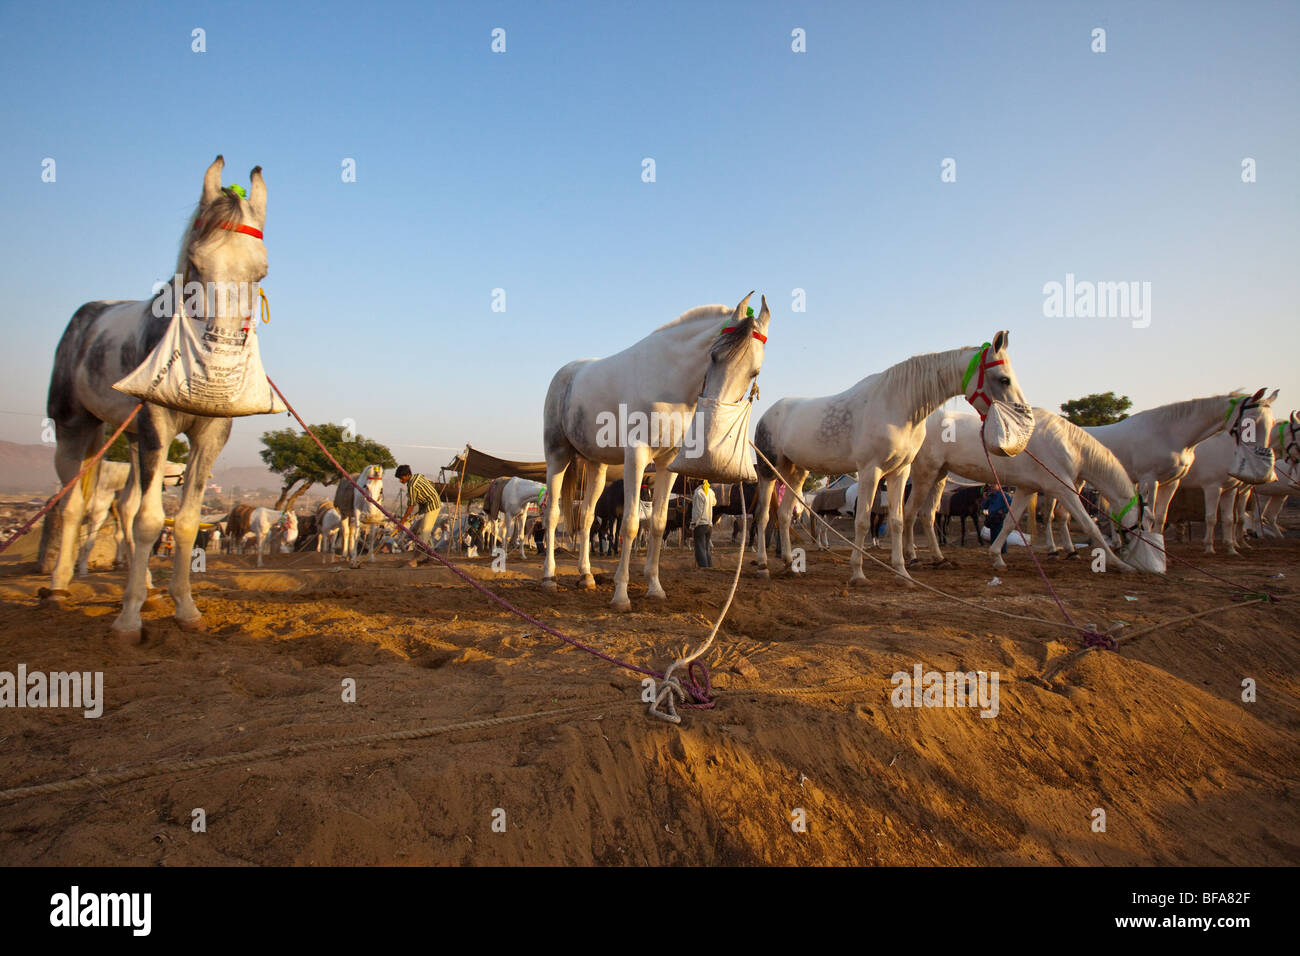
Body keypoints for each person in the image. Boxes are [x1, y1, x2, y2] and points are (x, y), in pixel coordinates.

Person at [396, 464, 443, 564]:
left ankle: (414, 560)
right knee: (420, 530)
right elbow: (431, 484)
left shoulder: (412, 485)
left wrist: (402, 522)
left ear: (408, 475)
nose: (401, 481)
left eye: (401, 478)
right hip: (429, 506)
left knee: (424, 532)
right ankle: (431, 556)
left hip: (433, 506)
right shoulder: (418, 476)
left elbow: (411, 506)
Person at [692, 480, 717, 568]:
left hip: (701, 524)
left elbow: (698, 511)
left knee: (700, 548)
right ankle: (709, 566)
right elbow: (714, 503)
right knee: (706, 548)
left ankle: (703, 567)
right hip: (709, 525)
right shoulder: (710, 491)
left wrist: (694, 523)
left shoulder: (698, 492)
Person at [980, 483, 1010, 555]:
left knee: (1000, 534)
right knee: (993, 534)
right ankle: (994, 549)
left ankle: (1003, 551)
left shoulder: (1004, 495)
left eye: (994, 485)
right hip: (992, 518)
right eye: (991, 486)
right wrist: (985, 499)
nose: (992, 487)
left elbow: (1010, 504)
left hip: (999, 517)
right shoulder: (991, 496)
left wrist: (1003, 510)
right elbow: (984, 506)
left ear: (999, 486)